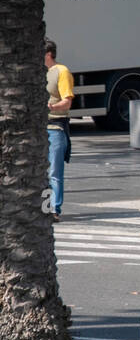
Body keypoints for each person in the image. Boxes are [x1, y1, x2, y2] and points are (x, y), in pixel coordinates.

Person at [44, 40, 74, 222]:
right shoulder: (36, 73)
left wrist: (51, 108)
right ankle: (44, 208)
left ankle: (54, 209)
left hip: (56, 127)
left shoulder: (61, 72)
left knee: (54, 171)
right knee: (42, 172)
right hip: (39, 128)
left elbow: (67, 101)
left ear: (48, 54)